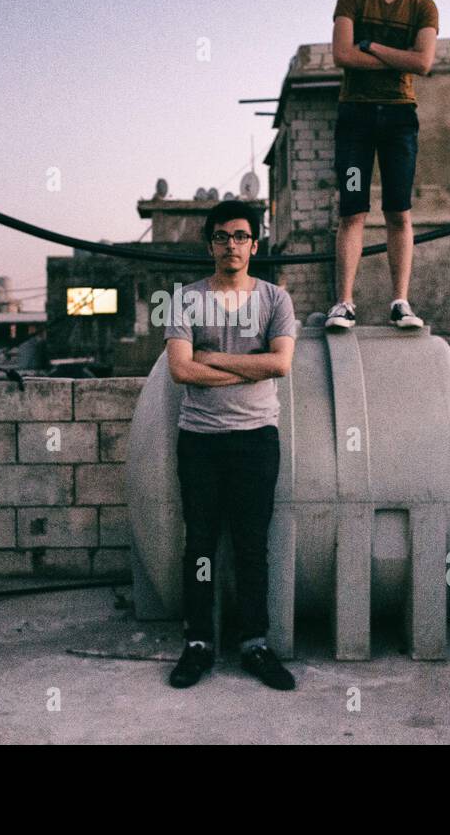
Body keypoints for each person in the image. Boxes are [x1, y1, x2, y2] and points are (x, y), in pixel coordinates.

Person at [161, 199, 298, 690]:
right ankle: (198, 643)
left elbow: (281, 365)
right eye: (222, 236)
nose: (231, 245)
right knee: (199, 544)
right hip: (199, 441)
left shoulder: (276, 299)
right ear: (210, 244)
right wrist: (249, 363)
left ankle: (254, 644)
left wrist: (212, 360)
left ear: (254, 245)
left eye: (241, 236)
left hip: (257, 439)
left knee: (251, 546)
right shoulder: (185, 299)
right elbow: (180, 370)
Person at [325, 0, 439, 331]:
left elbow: (423, 62)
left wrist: (370, 45)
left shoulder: (423, 7)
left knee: (399, 211)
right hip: (355, 117)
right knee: (352, 211)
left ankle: (400, 303)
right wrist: (396, 59)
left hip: (398, 119)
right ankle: (344, 303)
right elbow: (342, 54)